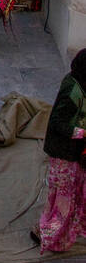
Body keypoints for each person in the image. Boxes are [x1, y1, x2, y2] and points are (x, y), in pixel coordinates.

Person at [34, 49, 86, 252]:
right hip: (63, 152)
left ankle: (68, 229)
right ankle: (51, 236)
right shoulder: (72, 90)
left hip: (75, 151)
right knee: (62, 199)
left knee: (75, 192)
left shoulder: (80, 83)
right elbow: (58, 122)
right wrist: (82, 132)